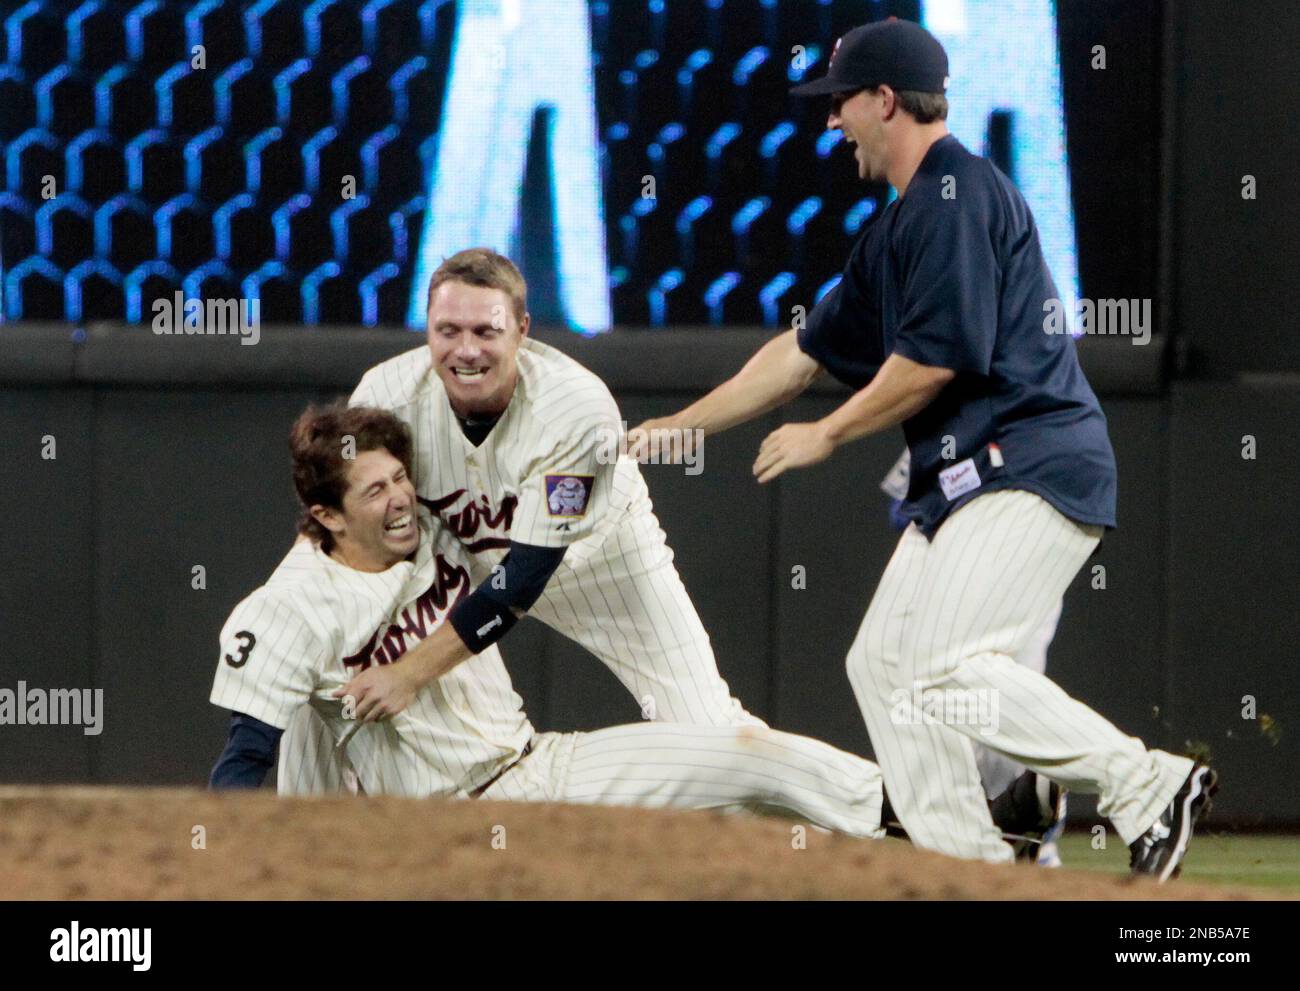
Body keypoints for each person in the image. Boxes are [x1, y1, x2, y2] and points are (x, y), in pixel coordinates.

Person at [629, 18, 1214, 881]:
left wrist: (828, 431)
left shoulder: (956, 195)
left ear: (884, 100)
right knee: (882, 666)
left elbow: (935, 361)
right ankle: (966, 866)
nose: (832, 121)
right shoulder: (903, 224)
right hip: (970, 483)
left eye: (841, 102)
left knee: (939, 668)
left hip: (1030, 466)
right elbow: (799, 355)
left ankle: (1150, 785)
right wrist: (679, 426)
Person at [208, 403, 1059, 851]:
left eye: (400, 477)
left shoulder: (429, 524)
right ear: (325, 515)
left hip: (537, 768)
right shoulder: (291, 606)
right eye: (374, 491)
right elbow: (245, 757)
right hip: (435, 834)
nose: (400, 497)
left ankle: (975, 819)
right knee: (304, 734)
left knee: (741, 749)